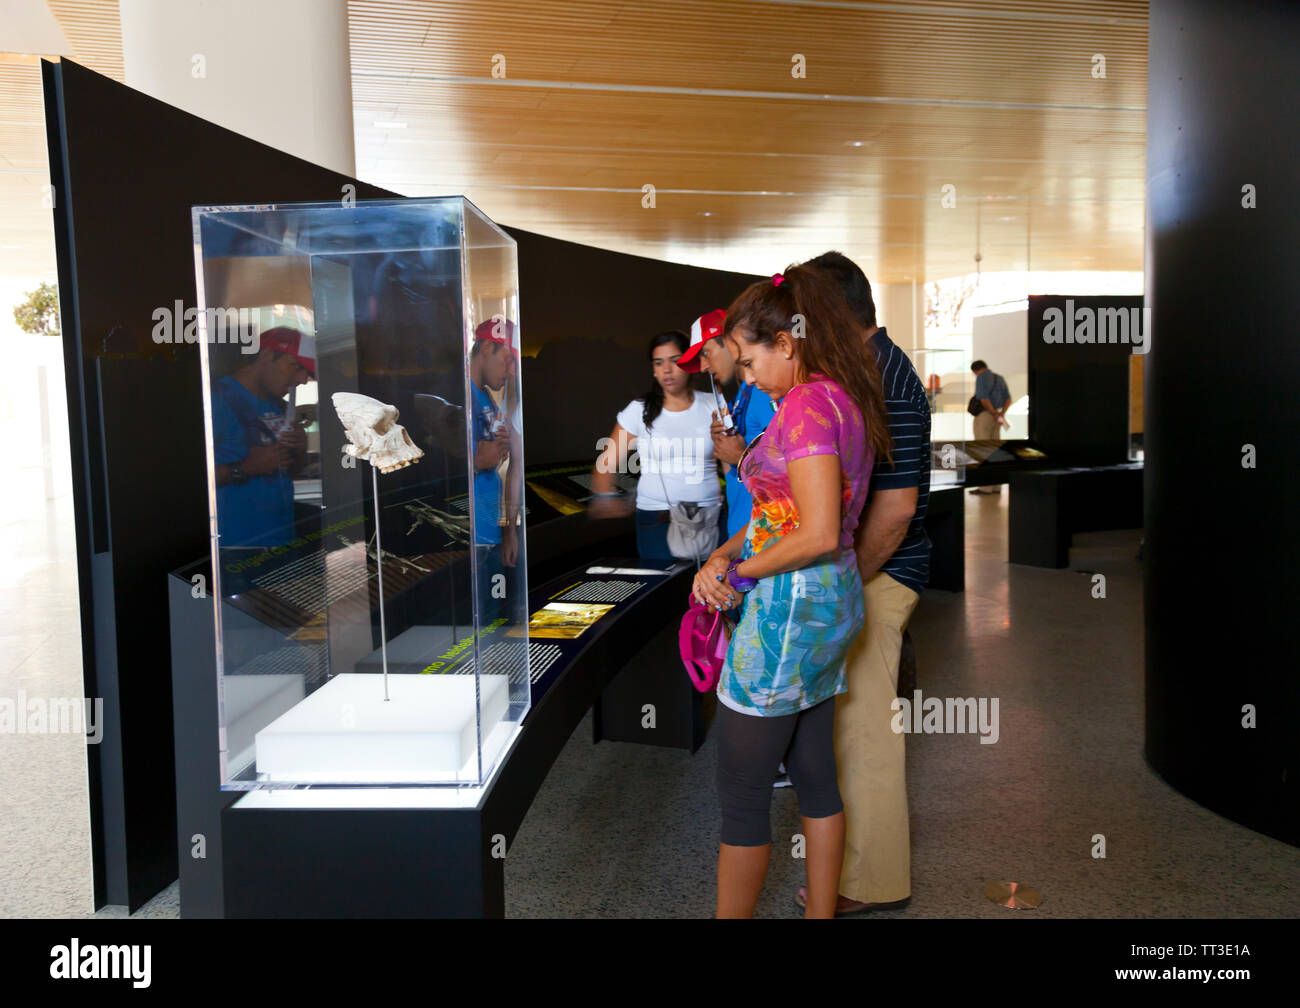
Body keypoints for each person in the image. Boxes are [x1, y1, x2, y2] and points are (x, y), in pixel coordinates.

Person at [692, 265, 891, 919]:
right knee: (815, 777)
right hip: (824, 605)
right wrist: (724, 552)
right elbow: (781, 511)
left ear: (788, 342)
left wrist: (738, 575)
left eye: (750, 362)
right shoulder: (839, 397)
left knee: (744, 794)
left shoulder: (806, 405)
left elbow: (816, 532)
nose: (746, 377)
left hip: (786, 610)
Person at [798, 250, 931, 915]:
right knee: (850, 724)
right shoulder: (865, 370)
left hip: (879, 573)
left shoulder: (887, 375)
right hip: (864, 571)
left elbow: (897, 506)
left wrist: (850, 581)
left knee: (865, 729)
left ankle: (870, 884)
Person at [590, 331, 720, 560]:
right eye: (659, 363)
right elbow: (605, 464)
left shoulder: (713, 404)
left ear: (690, 363)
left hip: (708, 518)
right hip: (657, 520)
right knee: (662, 591)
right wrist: (607, 498)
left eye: (675, 361)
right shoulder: (639, 410)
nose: (667, 370)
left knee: (710, 592)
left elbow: (731, 464)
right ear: (653, 369)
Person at [675, 309, 779, 542]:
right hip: (742, 532)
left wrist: (740, 456)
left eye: (705, 353)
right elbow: (733, 474)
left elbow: (792, 472)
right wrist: (722, 445)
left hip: (767, 536)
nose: (703, 367)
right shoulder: (739, 399)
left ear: (730, 343)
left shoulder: (765, 394)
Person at [212, 326, 313, 557]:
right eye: (296, 366)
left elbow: (284, 472)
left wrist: (299, 449)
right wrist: (246, 468)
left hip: (282, 542)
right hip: (236, 548)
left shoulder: (277, 404)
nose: (302, 380)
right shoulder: (217, 399)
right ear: (267, 355)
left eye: (306, 372)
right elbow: (182, 481)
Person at [470, 320, 520, 616]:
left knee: (493, 618)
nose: (512, 370)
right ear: (487, 348)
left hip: (488, 531)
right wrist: (477, 462)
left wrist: (508, 532)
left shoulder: (487, 398)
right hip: (471, 534)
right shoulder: (460, 397)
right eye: (508, 360)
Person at [971, 359, 1011, 443]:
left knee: (982, 444)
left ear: (975, 371)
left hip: (985, 414)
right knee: (994, 445)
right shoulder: (999, 378)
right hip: (998, 416)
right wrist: (1001, 414)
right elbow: (1008, 399)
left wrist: (993, 413)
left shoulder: (981, 377)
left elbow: (983, 398)